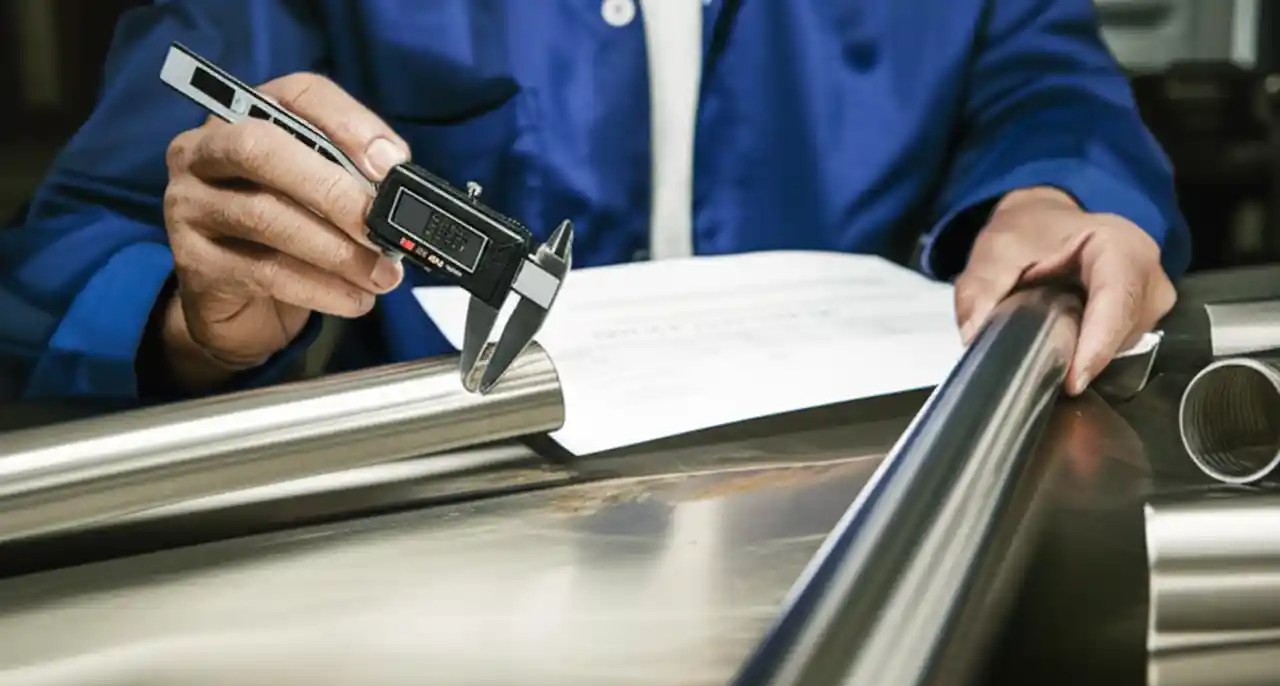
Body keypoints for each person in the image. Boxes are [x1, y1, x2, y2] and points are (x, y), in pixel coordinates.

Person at [1, 0, 1188, 403]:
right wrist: (189, 316)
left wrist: (1051, 190)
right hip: (436, 570)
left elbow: (1043, 78)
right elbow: (75, 248)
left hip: (876, 511)